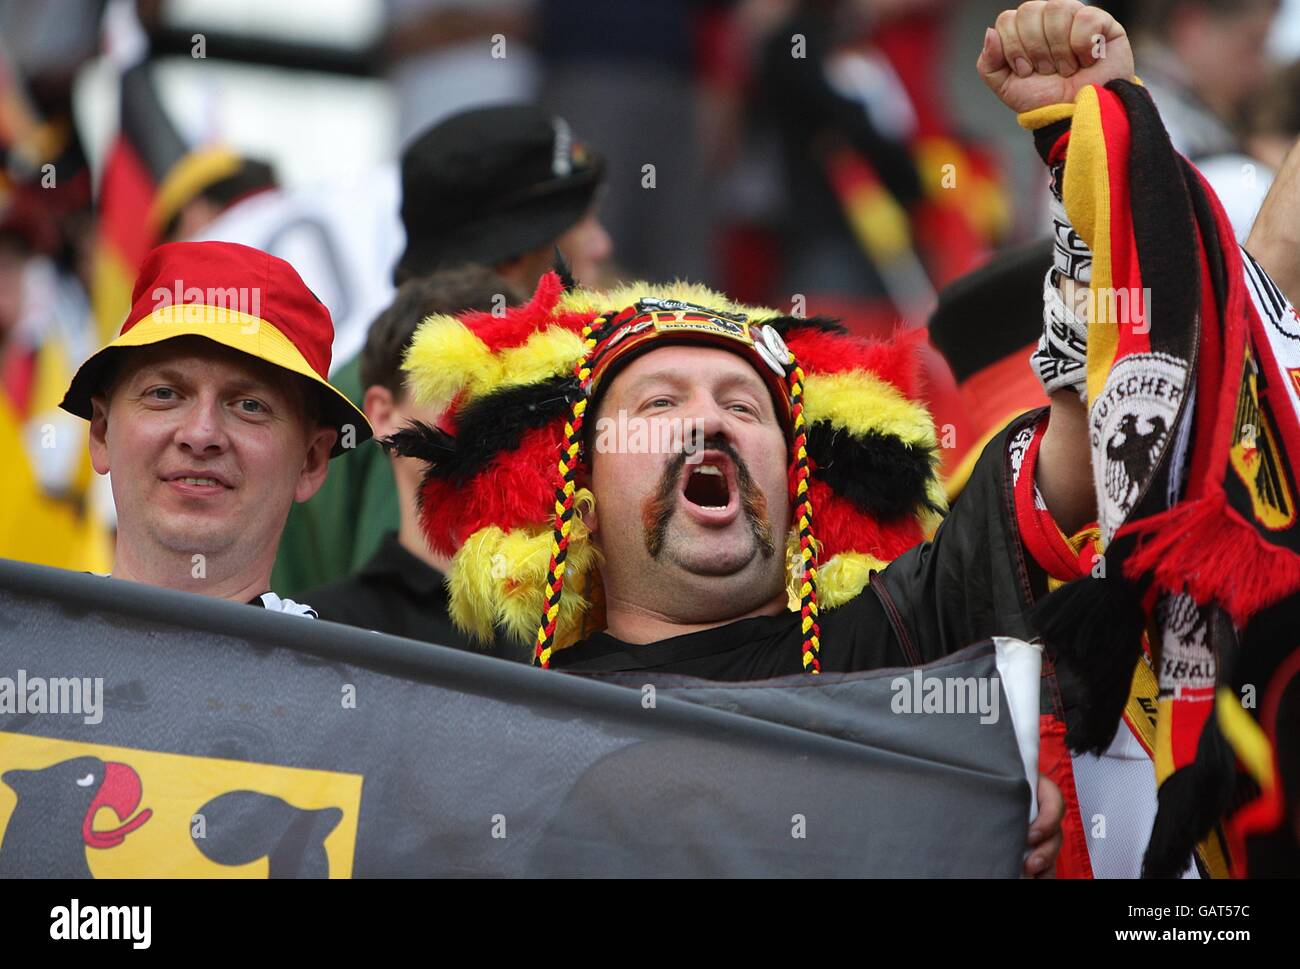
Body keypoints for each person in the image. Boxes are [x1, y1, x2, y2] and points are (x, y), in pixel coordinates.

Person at [395, 2, 1300, 877]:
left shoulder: (896, 641)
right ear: (575, 495)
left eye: (746, 409)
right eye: (662, 401)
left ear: (798, 493)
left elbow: (1081, 448)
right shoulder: (503, 726)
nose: (711, 420)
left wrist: (1080, 145)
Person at [271, 103, 612, 598]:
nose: (601, 245)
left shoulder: (370, 378)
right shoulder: (433, 395)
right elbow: (418, 623)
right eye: (580, 223)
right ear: (517, 253)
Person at [57, 240, 372, 613]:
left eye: (249, 406)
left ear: (312, 460)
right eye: (163, 393)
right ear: (101, 432)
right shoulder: (18, 644)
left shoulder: (352, 671)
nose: (201, 434)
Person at [303, 265, 527, 654]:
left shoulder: (585, 620)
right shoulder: (322, 630)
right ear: (383, 415)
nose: (492, 411)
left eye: (514, 386)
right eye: (458, 384)